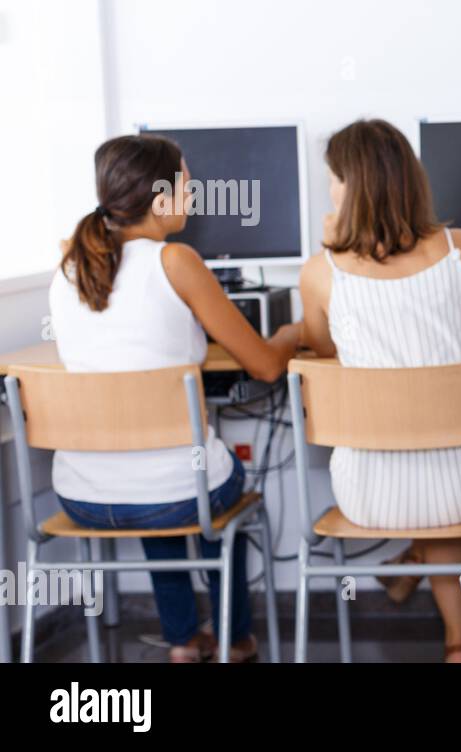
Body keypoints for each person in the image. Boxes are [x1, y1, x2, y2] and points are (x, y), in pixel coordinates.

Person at [50, 134, 302, 662]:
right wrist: (297, 332)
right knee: (195, 481)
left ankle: (183, 642)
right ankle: (233, 641)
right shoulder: (176, 261)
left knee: (157, 474)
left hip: (82, 494)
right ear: (160, 197)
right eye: (188, 183)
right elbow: (264, 364)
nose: (193, 195)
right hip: (173, 493)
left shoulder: (70, 265)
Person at [297, 119, 461, 662]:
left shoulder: (319, 272)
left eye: (333, 180)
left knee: (414, 469)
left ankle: (417, 581)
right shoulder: (460, 249)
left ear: (348, 188)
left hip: (366, 493)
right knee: (444, 485)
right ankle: (459, 646)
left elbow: (322, 355)